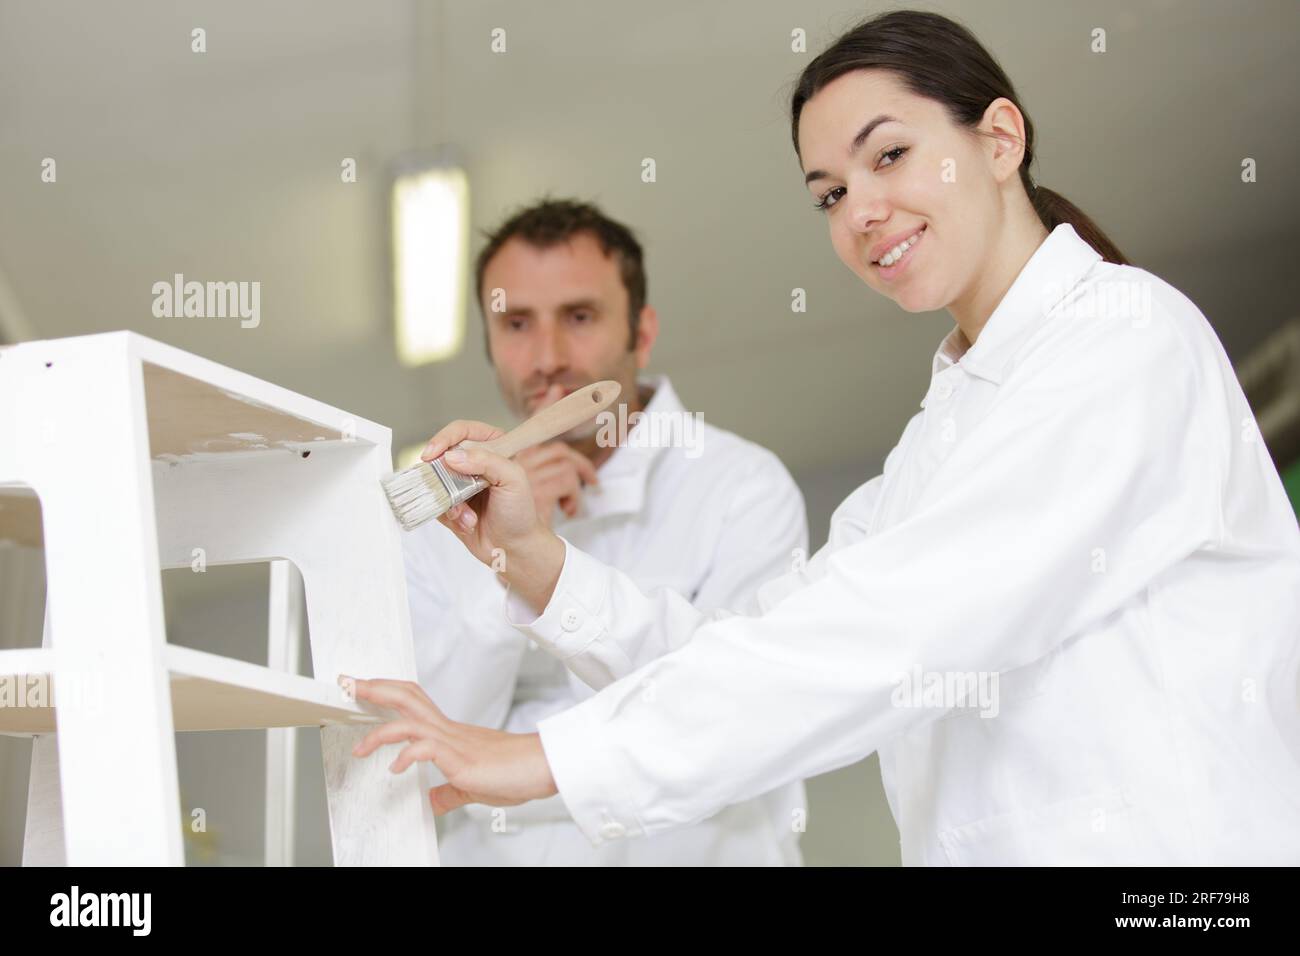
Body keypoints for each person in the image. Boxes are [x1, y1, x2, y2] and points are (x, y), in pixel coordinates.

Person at [352, 10, 1300, 864]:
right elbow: (763, 639)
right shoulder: (942, 435)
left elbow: (895, 632)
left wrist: (549, 755)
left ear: (999, 138)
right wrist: (536, 563)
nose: (861, 212)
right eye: (830, 194)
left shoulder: (1120, 339)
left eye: (887, 156)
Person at [400, 198, 810, 865]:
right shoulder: (434, 523)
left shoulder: (742, 489)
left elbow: (736, 726)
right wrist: (502, 558)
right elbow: (424, 760)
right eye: (515, 324)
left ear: (641, 333)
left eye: (580, 318)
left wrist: (519, 749)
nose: (548, 358)